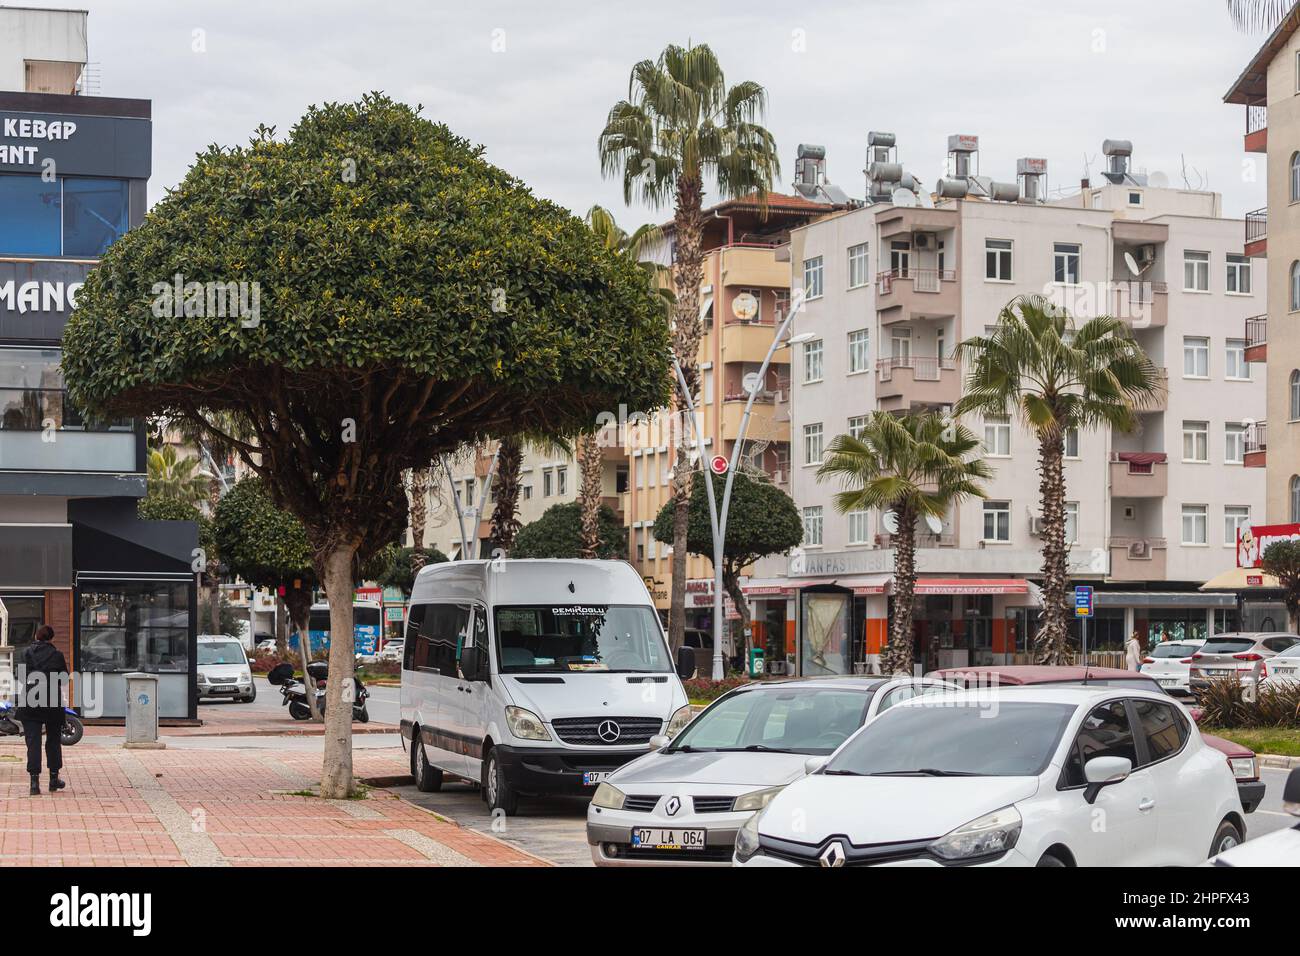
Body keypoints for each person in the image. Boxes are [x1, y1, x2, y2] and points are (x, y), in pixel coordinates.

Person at [15, 625, 68, 795]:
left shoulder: (25, 653)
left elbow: (21, 677)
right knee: (53, 740)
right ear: (51, 639)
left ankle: (34, 783)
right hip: (52, 702)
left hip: (30, 701)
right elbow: (65, 679)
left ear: (37, 637)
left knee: (33, 742)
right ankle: (53, 779)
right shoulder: (57, 655)